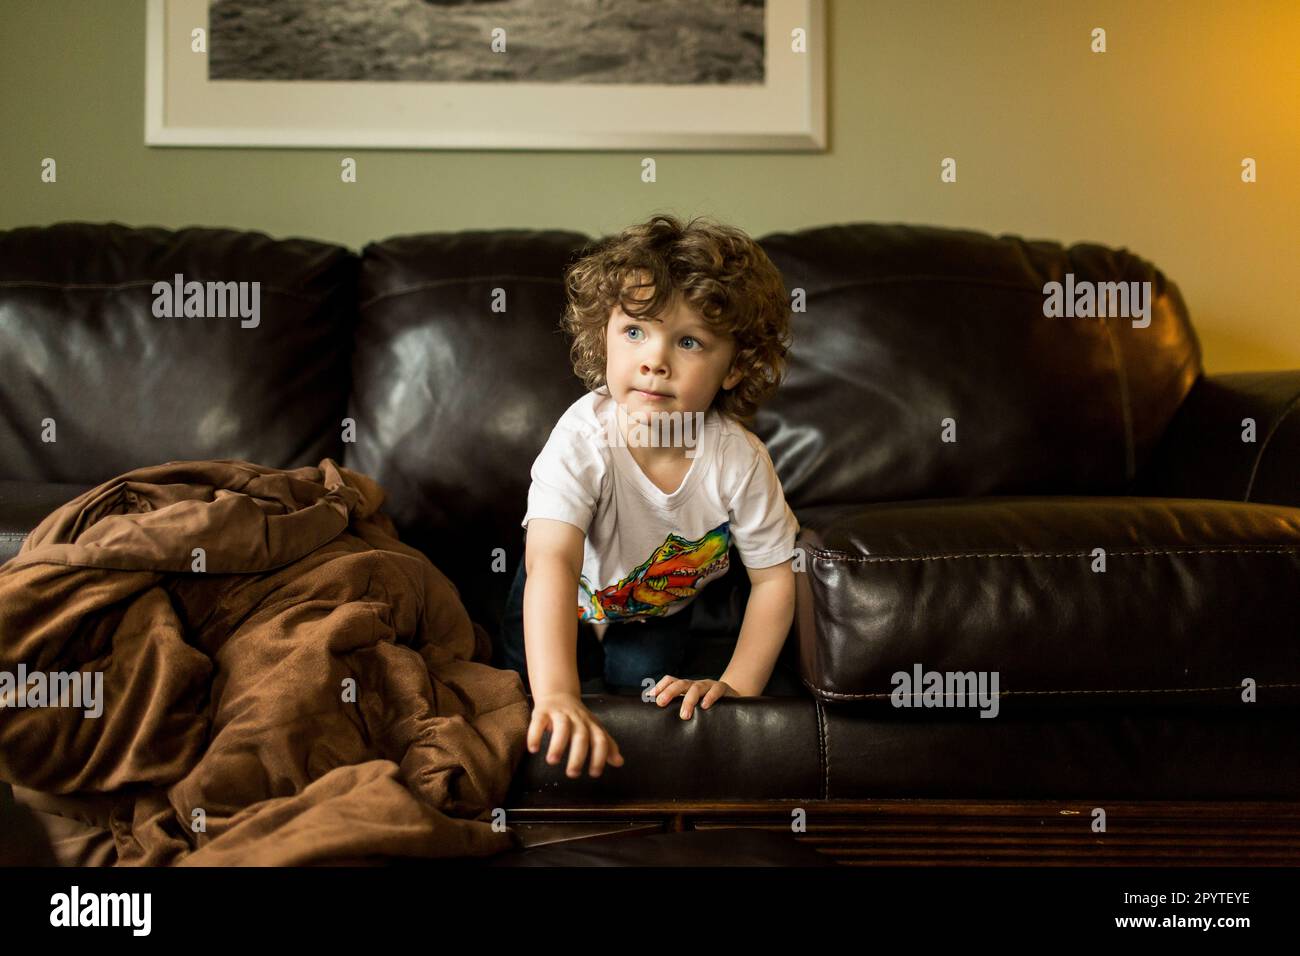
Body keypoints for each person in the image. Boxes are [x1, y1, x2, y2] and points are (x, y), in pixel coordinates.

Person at [498, 213, 800, 780]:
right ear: (603, 338)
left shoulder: (739, 460)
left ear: (733, 367)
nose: (655, 360)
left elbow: (775, 579)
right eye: (635, 332)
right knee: (523, 703)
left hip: (656, 611)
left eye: (688, 342)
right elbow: (551, 563)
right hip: (561, 588)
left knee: (643, 717)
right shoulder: (583, 439)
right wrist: (558, 695)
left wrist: (736, 687)